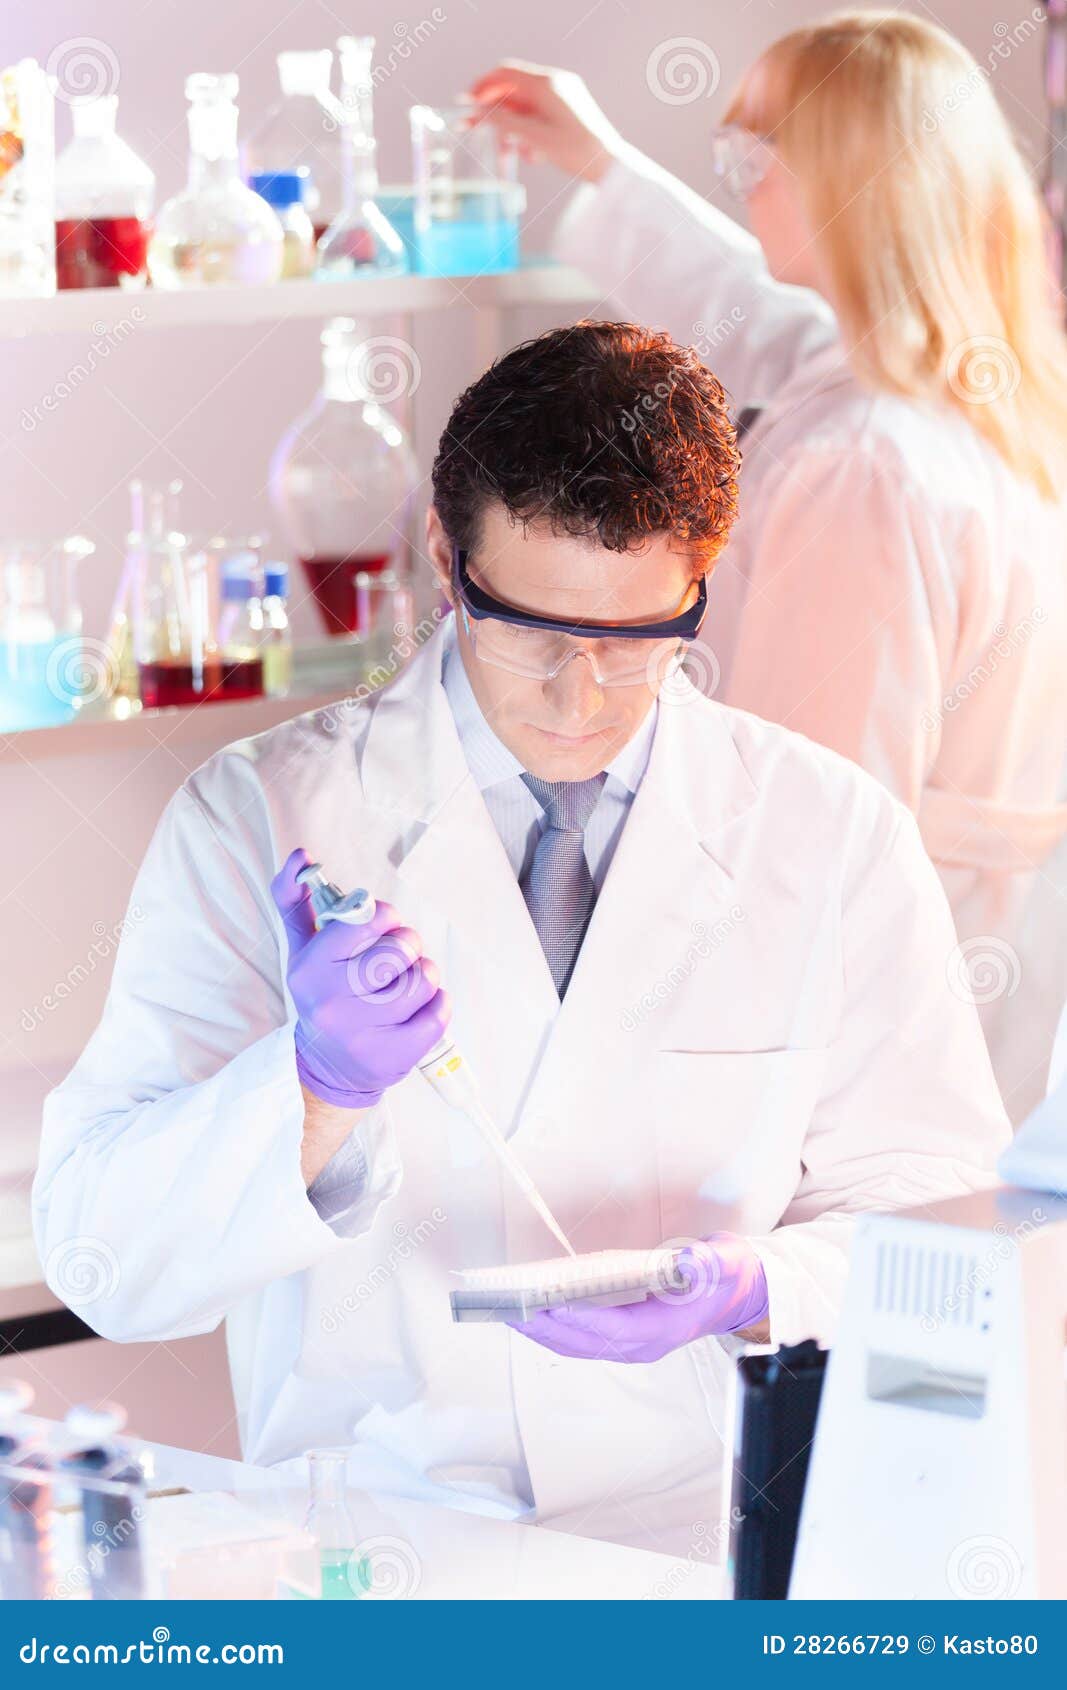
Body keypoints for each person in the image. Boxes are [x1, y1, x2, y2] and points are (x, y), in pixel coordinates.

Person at [34, 323, 1008, 1555]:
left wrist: (761, 1286)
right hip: (378, 1546)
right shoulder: (260, 817)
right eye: (530, 629)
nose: (578, 694)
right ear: (446, 561)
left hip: (704, 1543)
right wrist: (312, 1091)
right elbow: (101, 1258)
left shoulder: (827, 833)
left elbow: (946, 1223)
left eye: (635, 641)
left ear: (701, 575)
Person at [470, 11, 1067, 1126]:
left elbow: (805, 816)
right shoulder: (968, 402)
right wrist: (596, 157)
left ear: (854, 182)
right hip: (973, 969)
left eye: (756, 154)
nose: (741, 184)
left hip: (854, 1021)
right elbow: (742, 304)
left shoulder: (859, 471)